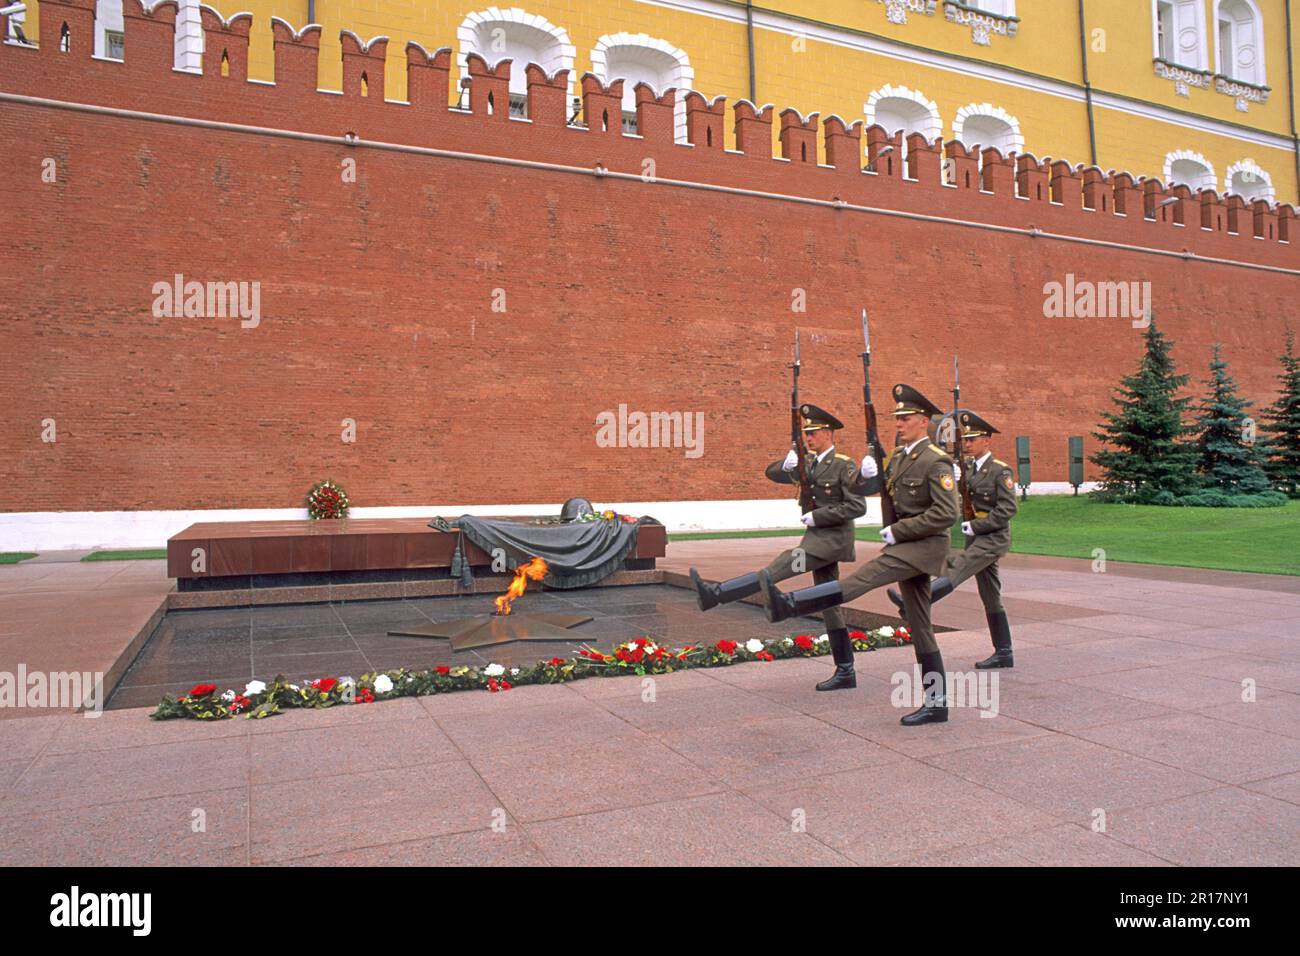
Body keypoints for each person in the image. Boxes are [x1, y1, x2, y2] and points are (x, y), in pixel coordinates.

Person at [759, 384, 958, 725]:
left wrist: (900, 531)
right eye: (897, 419)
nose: (899, 424)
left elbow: (948, 513)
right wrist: (867, 474)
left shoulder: (935, 461)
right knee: (921, 625)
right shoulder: (899, 457)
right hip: (905, 544)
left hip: (922, 546)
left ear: (923, 421)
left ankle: (790, 604)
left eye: (906, 418)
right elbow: (862, 492)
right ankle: (937, 703)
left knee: (862, 579)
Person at [689, 403, 869, 691]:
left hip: (831, 542)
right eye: (806, 433)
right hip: (815, 540)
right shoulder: (808, 463)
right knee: (829, 604)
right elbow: (772, 473)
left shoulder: (843, 465)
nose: (808, 438)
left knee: (779, 567)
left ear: (828, 433)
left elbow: (857, 505)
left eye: (813, 433)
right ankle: (846, 670)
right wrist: (785, 464)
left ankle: (716, 595)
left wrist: (819, 515)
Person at [886, 410, 1017, 668]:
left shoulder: (1000, 471)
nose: (967, 444)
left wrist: (977, 526)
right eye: (965, 440)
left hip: (992, 538)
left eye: (972, 439)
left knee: (959, 566)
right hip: (976, 537)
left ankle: (923, 599)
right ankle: (1005, 652)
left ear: (987, 441)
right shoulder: (966, 469)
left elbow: (1008, 508)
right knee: (990, 596)